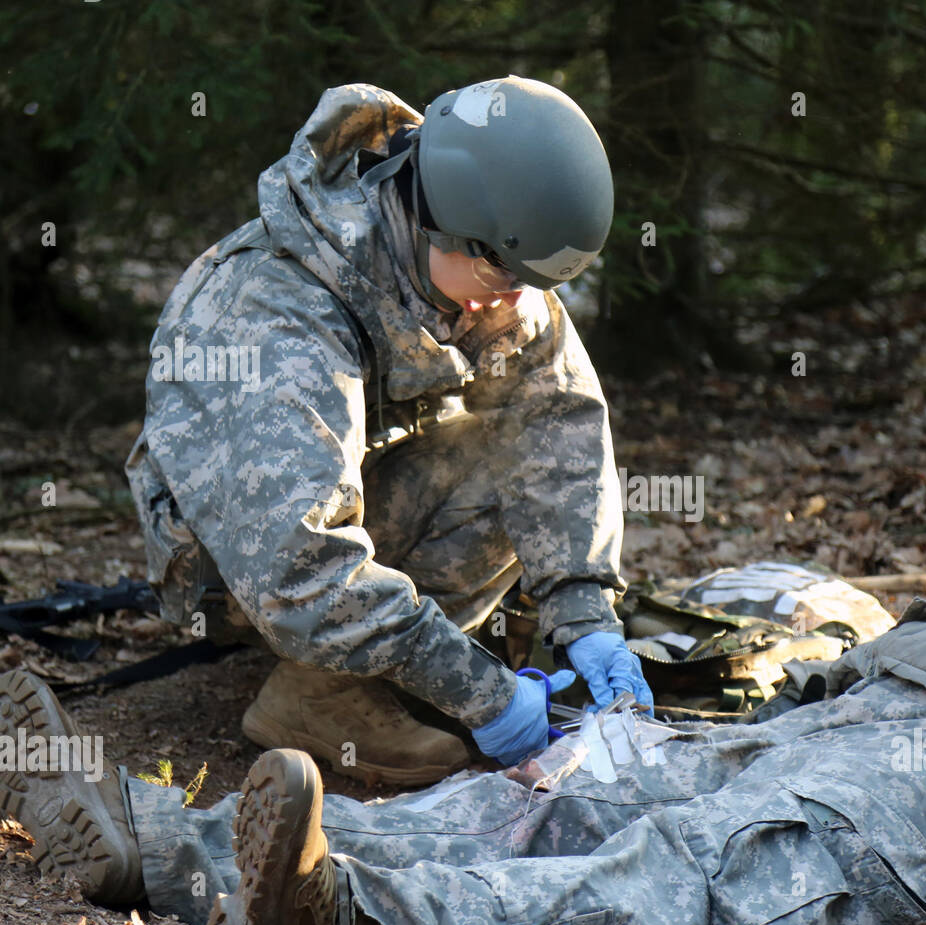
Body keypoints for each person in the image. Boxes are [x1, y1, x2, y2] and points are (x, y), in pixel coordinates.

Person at [5, 486, 926, 925]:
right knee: (557, 802)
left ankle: (337, 917)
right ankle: (161, 854)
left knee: (691, 878)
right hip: (881, 701)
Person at [123, 76, 652, 787]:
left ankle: (396, 661)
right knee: (321, 588)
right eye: (506, 270)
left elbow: (559, 427)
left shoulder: (487, 267)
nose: (520, 296)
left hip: (359, 498)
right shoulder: (278, 305)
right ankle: (321, 694)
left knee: (513, 457)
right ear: (443, 219)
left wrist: (586, 610)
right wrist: (484, 694)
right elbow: (297, 567)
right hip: (241, 570)